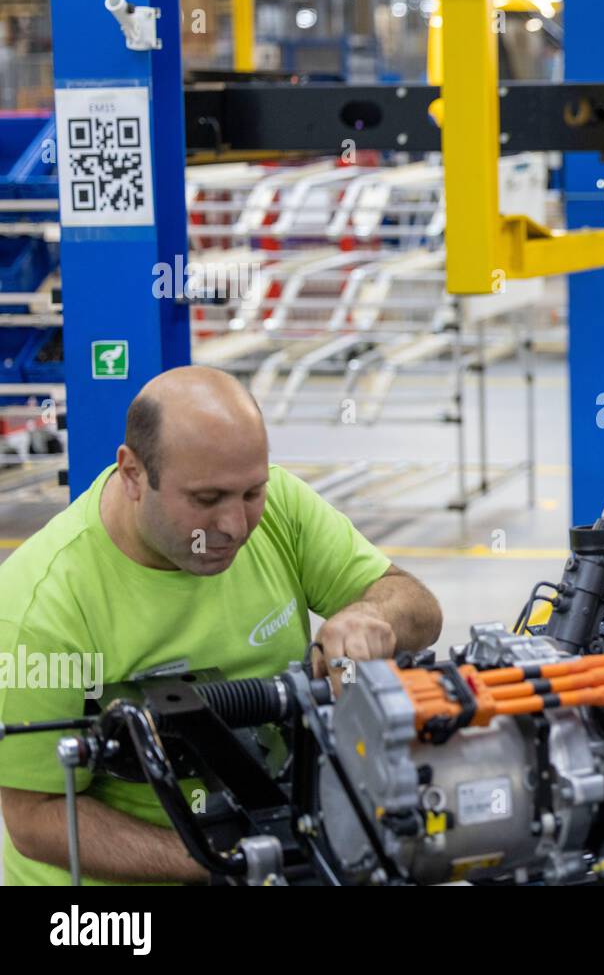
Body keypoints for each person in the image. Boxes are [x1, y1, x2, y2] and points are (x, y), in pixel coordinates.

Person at [0, 366, 442, 884]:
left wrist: (372, 615)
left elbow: (418, 607)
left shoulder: (280, 505)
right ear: (133, 474)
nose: (234, 526)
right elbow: (35, 817)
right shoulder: (40, 609)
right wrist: (224, 862)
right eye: (206, 501)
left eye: (251, 493)